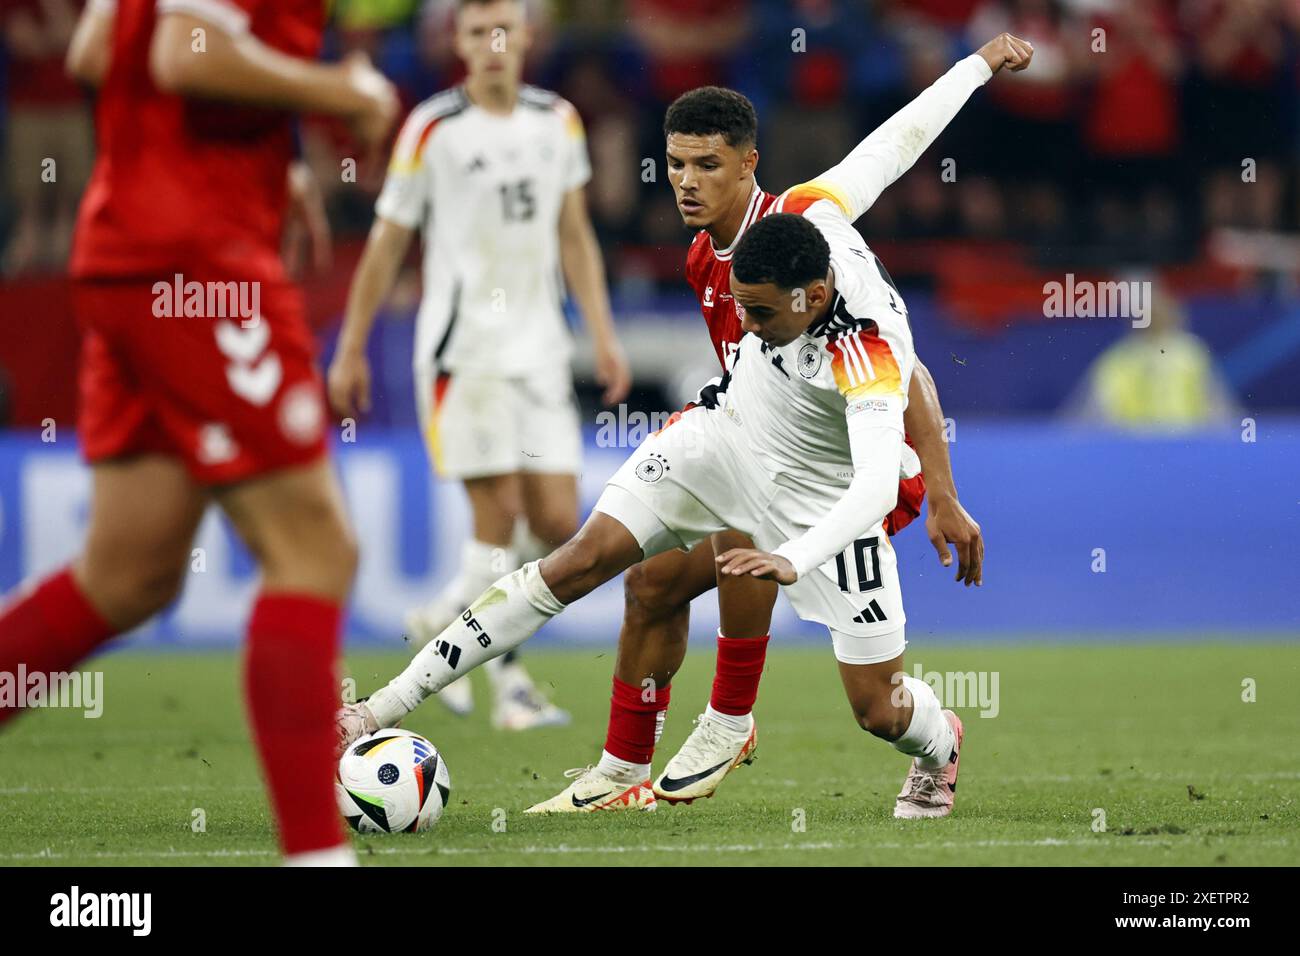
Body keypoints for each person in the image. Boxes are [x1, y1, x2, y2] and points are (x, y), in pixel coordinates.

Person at [340, 37, 1033, 820]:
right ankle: (390, 714)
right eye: (675, 164)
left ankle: (933, 744)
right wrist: (976, 66)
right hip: (731, 430)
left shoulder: (856, 326)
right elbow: (893, 145)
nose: (685, 183)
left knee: (879, 708)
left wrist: (928, 498)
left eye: (707, 165)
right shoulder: (778, 219)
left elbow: (907, 400)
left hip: (830, 488)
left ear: (748, 165)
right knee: (598, 566)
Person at [0, 0, 398, 866]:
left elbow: (99, 49)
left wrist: (263, 157)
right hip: (194, 258)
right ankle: (317, 858)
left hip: (130, 250)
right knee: (314, 549)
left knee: (127, 574)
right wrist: (337, 91)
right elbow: (188, 54)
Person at [327, 0, 630, 731]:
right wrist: (351, 343)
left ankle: (441, 616)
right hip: (465, 354)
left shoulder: (557, 119)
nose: (491, 45)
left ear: (527, 37)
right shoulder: (431, 128)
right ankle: (509, 690)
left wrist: (602, 330)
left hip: (541, 350)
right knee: (495, 520)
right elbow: (388, 243)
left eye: (503, 30)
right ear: (456, 45)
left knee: (558, 521)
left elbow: (575, 232)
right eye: (474, 33)